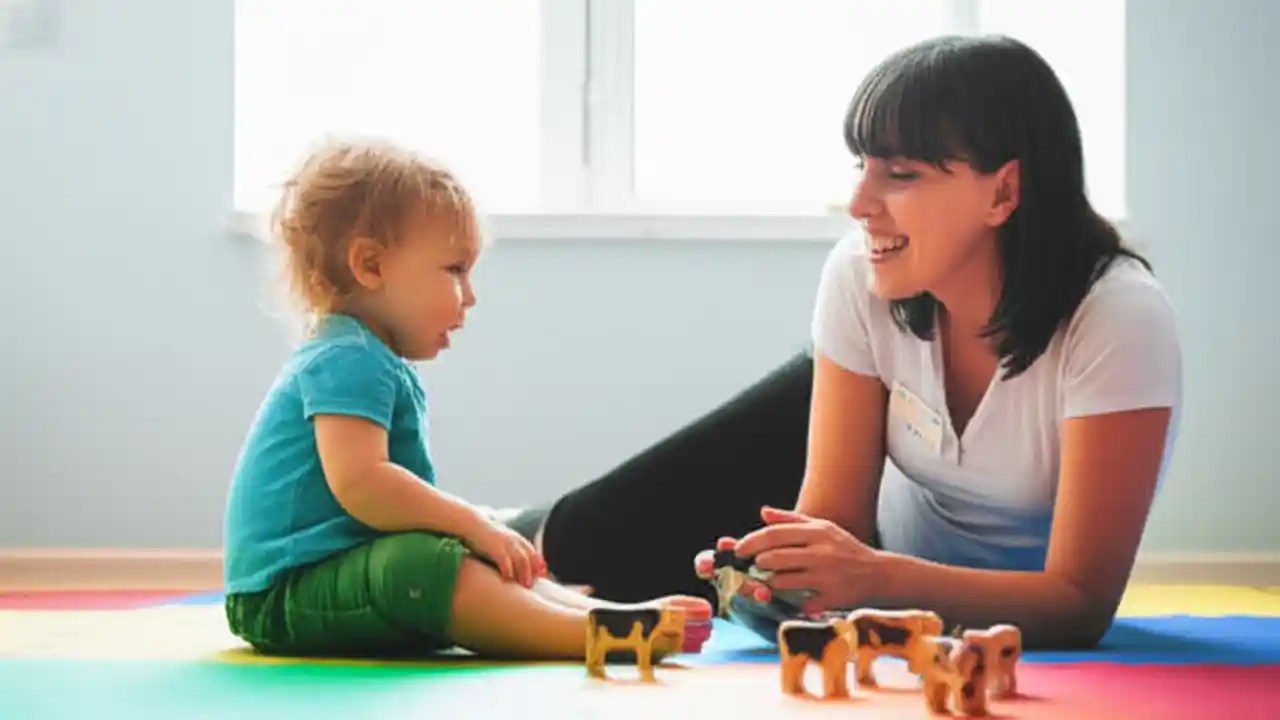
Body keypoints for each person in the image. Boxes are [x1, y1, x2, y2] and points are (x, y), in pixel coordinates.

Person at [515, 34, 1183, 650]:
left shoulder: (1119, 321)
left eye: (900, 174)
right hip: (879, 554)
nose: (860, 201)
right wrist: (785, 576)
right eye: (862, 166)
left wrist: (872, 579)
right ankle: (495, 535)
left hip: (912, 585)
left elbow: (1079, 604)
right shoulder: (861, 276)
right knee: (590, 552)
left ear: (1003, 191)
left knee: (600, 559)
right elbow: (834, 518)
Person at [220, 138, 712, 659]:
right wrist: (470, 523)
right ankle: (585, 632)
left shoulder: (367, 356)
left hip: (335, 575)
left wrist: (480, 530)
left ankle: (593, 615)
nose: (470, 295)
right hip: (282, 596)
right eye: (454, 270)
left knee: (465, 544)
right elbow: (363, 484)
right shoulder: (345, 358)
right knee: (427, 560)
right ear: (370, 265)